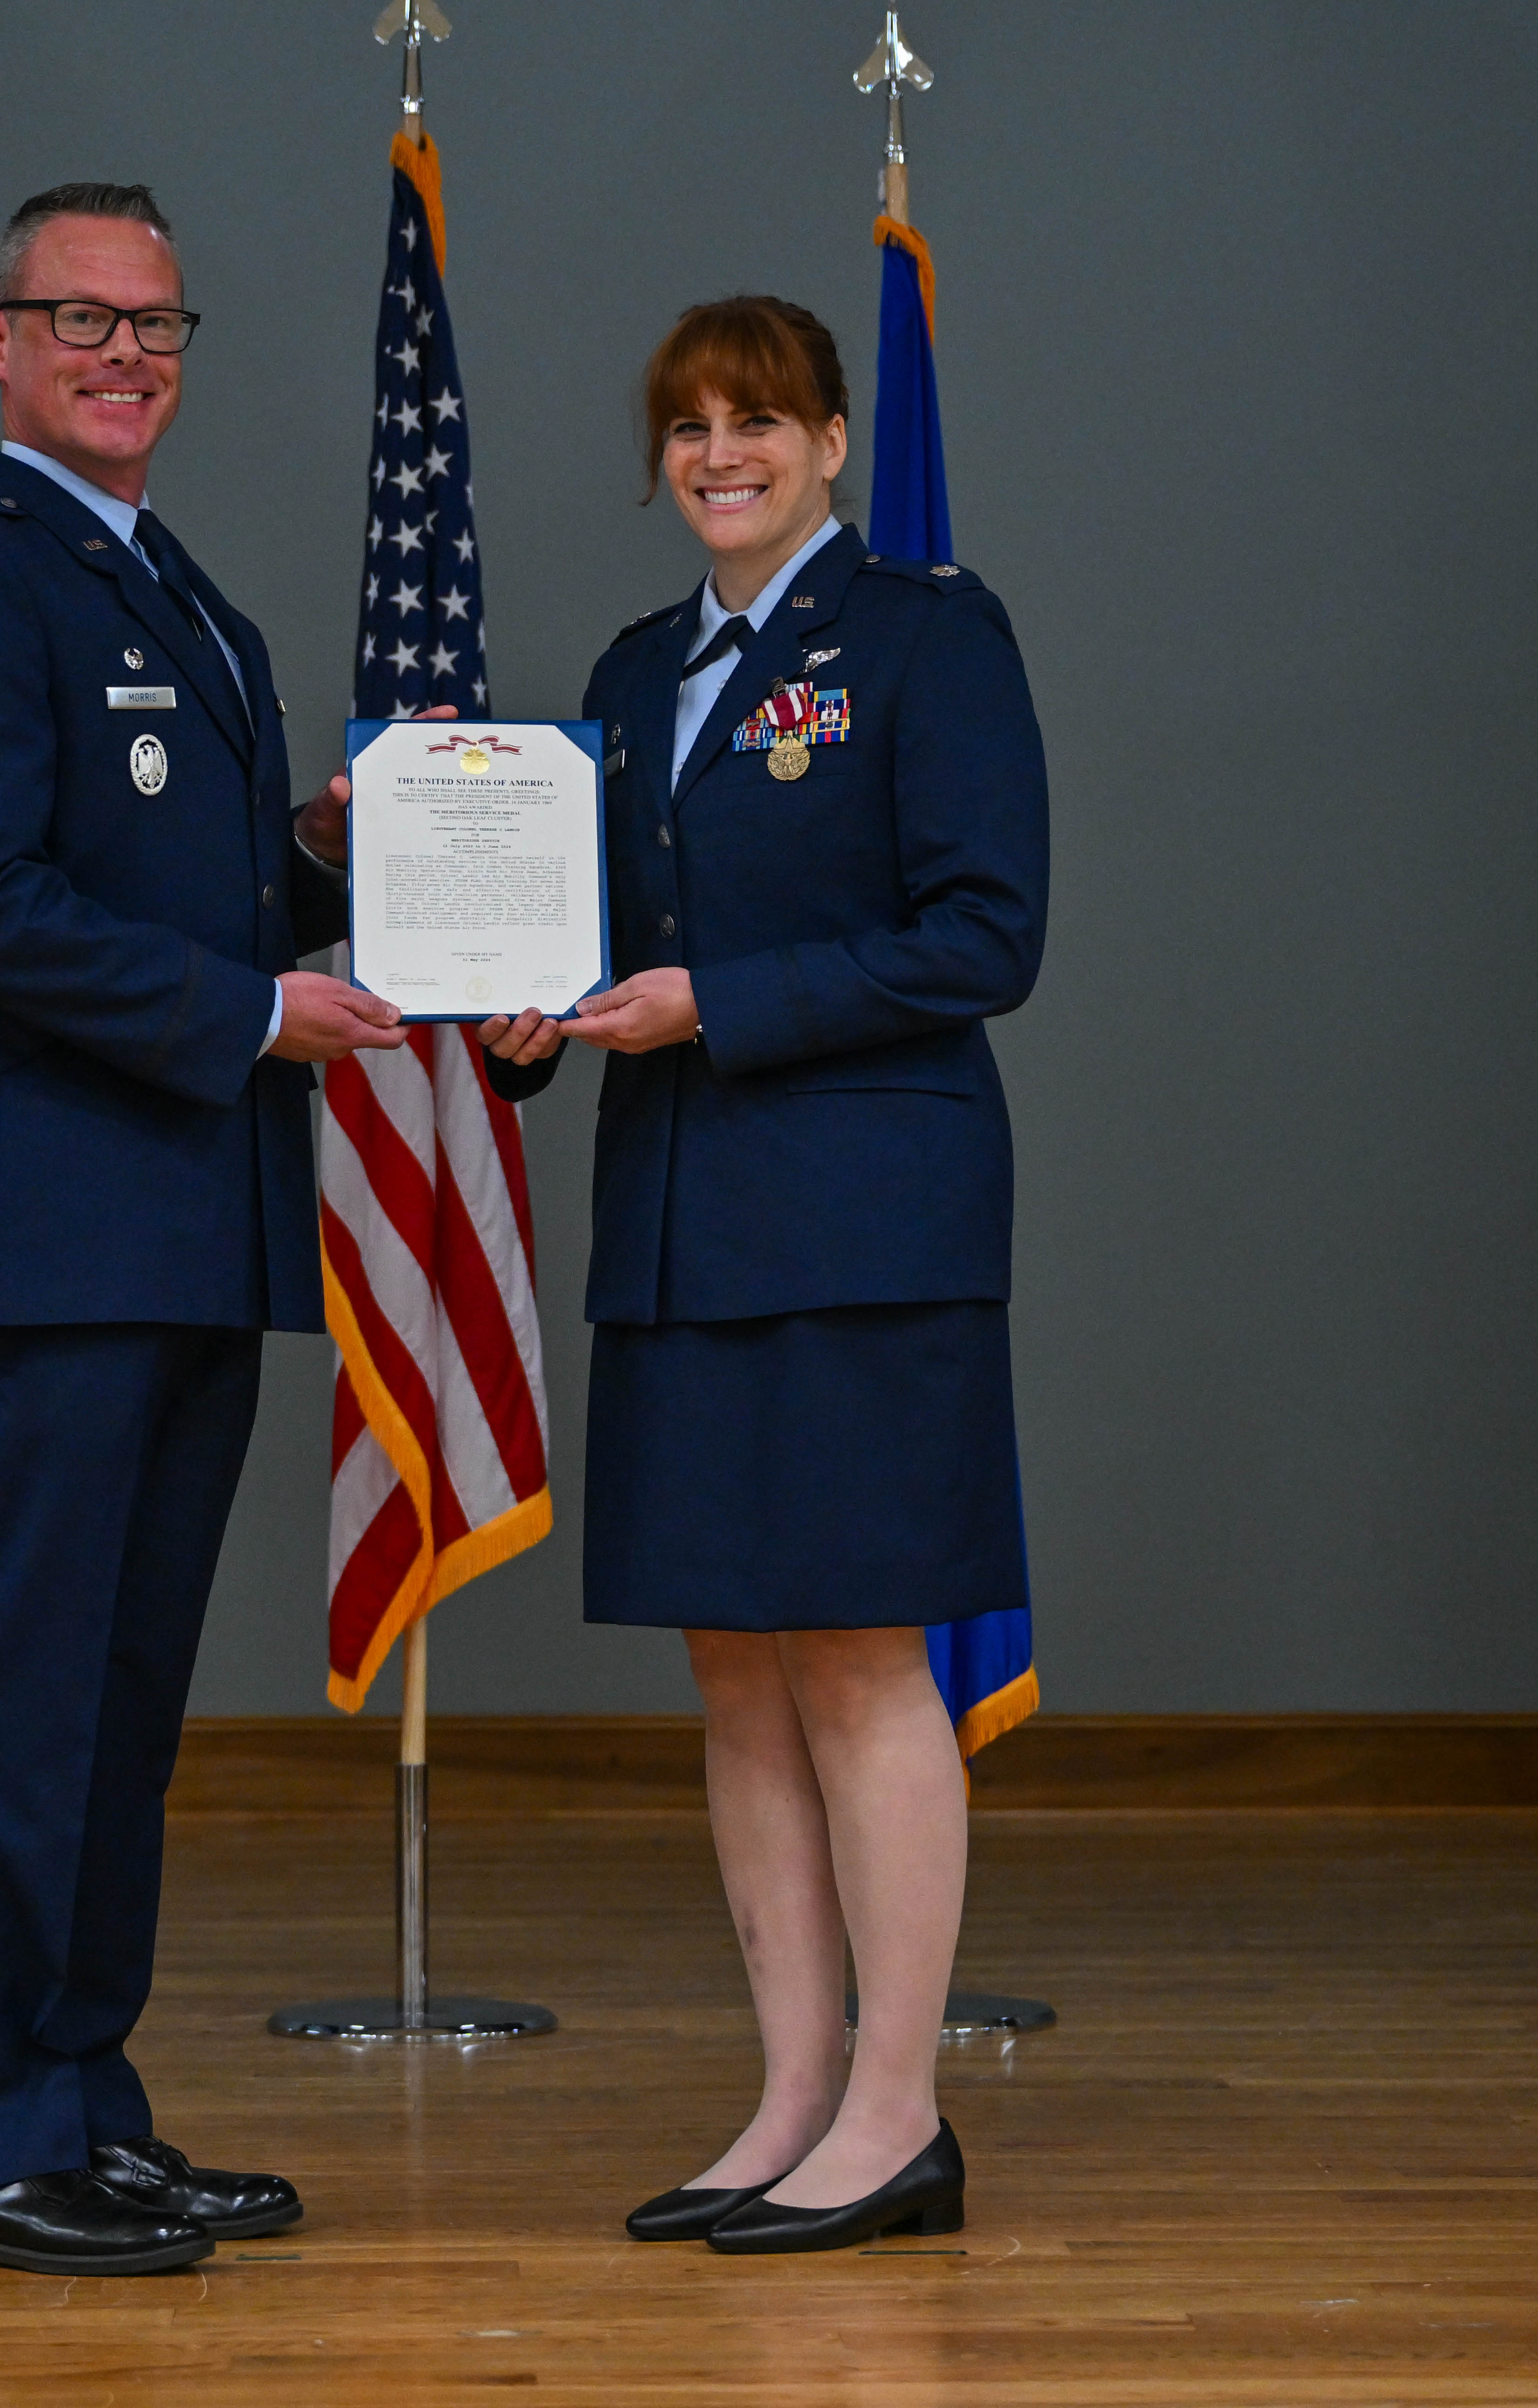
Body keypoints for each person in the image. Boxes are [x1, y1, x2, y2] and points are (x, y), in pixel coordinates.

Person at [0, 183, 413, 2277]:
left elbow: (185, 894)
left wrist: (329, 866)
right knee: (16, 1704)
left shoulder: (190, 601)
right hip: (47, 1233)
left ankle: (78, 2104)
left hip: (186, 1230)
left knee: (117, 1711)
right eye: (78, 319)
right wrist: (261, 1010)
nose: (121, 355)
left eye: (155, 325)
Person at [480, 297, 1048, 2252]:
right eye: (688, 429)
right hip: (678, 1222)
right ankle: (796, 2093)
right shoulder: (635, 674)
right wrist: (529, 1013)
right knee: (734, 1666)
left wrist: (713, 1000)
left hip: (863, 1229)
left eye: (759, 421)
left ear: (828, 442)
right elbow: (587, 937)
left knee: (863, 1655)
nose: (720, 456)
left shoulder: (927, 637)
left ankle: (899, 2111)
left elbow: (984, 935)